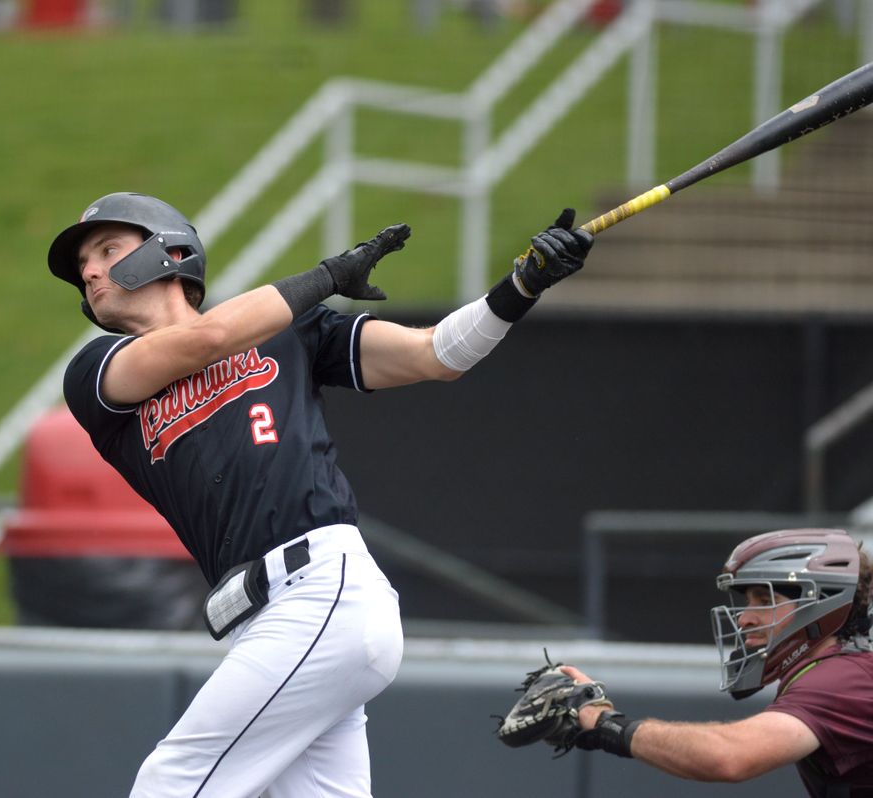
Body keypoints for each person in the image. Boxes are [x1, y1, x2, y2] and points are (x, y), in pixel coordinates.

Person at [47, 191, 593, 797]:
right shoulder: (94, 372)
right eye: (83, 265)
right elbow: (206, 340)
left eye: (107, 250)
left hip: (319, 592)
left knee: (171, 783)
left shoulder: (285, 331)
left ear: (169, 253)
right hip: (264, 620)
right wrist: (329, 276)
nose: (90, 271)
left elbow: (435, 354)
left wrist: (521, 287)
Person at [561, 527, 873, 797]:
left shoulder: (841, 680)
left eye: (766, 601)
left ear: (821, 604)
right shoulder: (841, 671)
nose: (744, 619)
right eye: (748, 602)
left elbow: (729, 756)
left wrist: (606, 724)